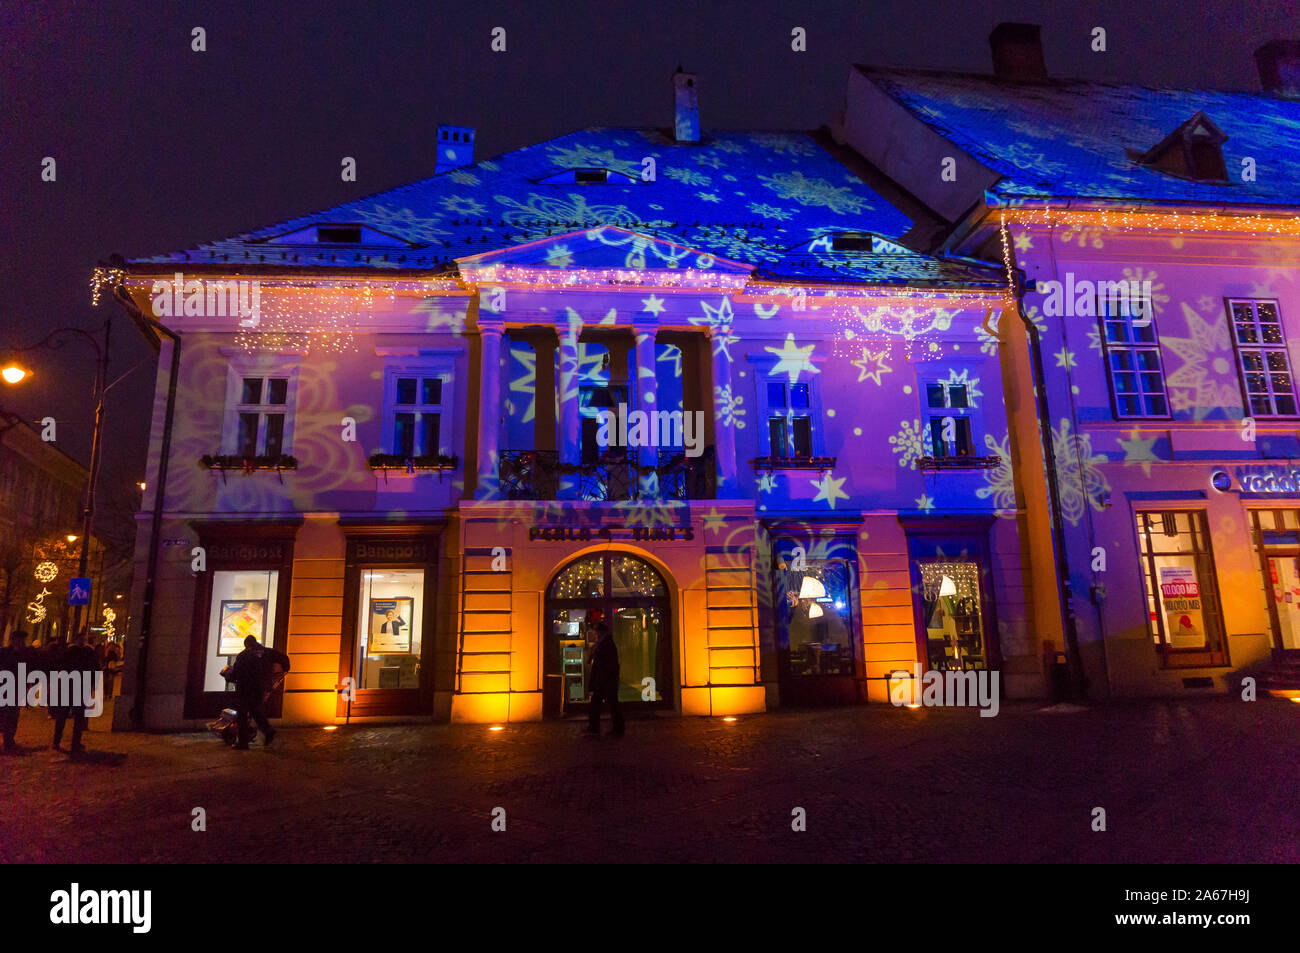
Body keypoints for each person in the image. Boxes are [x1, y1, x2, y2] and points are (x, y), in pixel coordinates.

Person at [224, 635, 280, 748]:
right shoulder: (265, 653)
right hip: (259, 688)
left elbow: (237, 673)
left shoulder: (243, 655)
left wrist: (228, 675)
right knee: (256, 711)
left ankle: (243, 742)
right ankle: (268, 730)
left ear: (246, 645)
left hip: (245, 689)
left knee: (242, 715)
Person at [51, 630, 98, 754]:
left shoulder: (79, 652)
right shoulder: (83, 652)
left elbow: (59, 665)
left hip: (73, 687)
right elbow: (95, 669)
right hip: (76, 687)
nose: (83, 640)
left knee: (70, 716)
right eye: (82, 638)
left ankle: (63, 742)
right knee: (73, 717)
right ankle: (70, 743)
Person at [586, 622, 624, 736]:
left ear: (601, 632)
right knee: (610, 704)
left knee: (605, 703)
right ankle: (615, 727)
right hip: (605, 680)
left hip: (604, 680)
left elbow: (604, 664)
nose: (596, 634)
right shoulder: (605, 643)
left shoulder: (606, 644)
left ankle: (597, 727)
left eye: (597, 632)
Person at [0, 630, 31, 753]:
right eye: (18, 639)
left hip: (17, 688)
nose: (21, 642)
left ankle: (9, 739)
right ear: (13, 640)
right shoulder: (4, 652)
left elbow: (27, 671)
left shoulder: (25, 654)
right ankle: (7, 739)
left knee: (13, 715)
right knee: (4, 715)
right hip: (4, 687)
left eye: (22, 640)